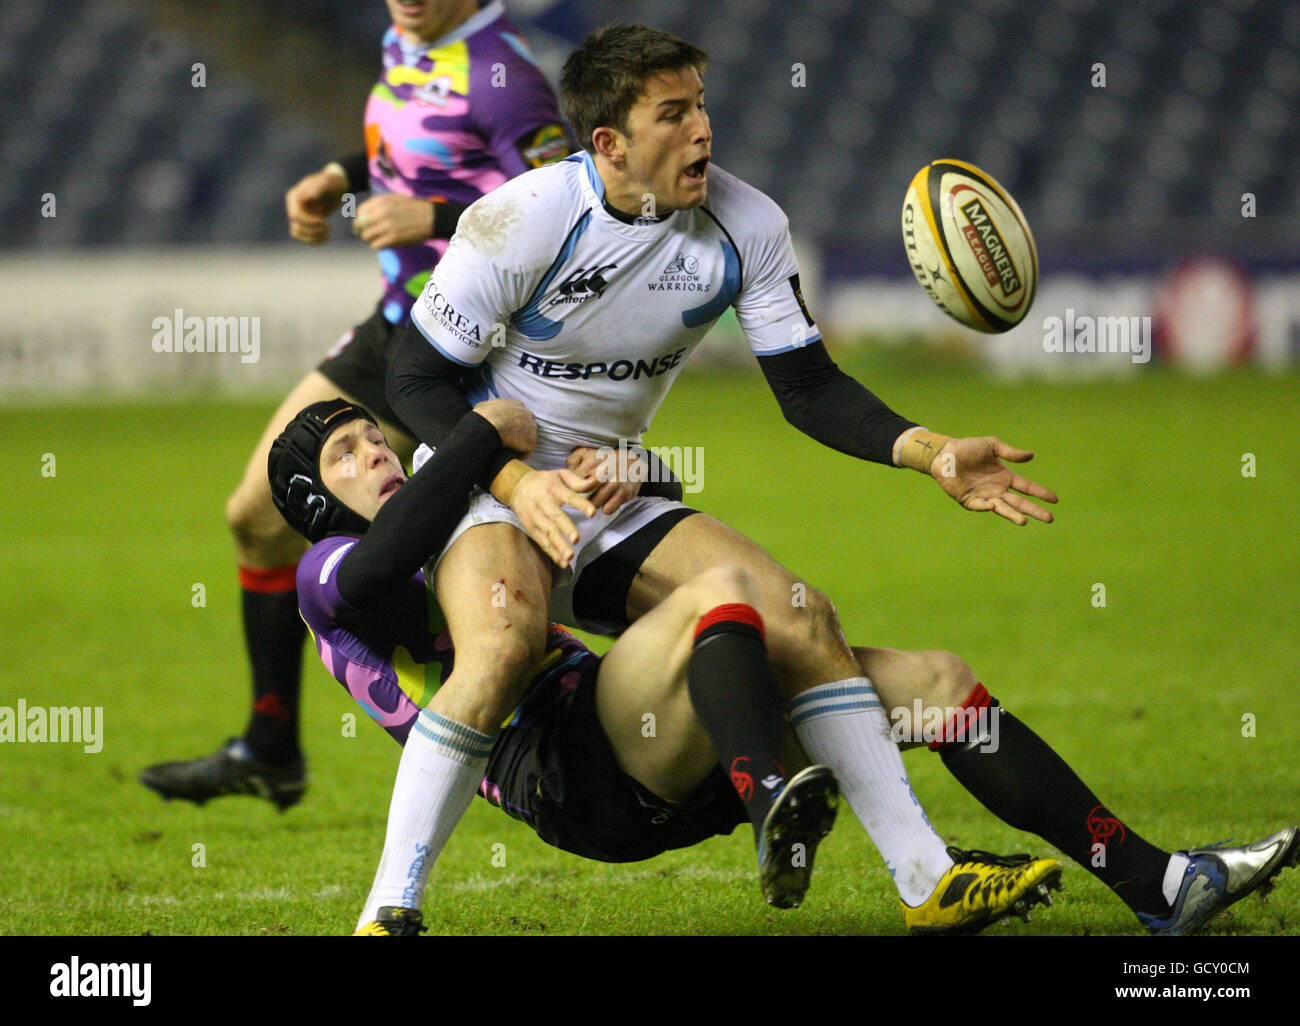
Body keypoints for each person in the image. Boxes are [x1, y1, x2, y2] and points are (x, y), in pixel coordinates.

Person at [375, 22, 1065, 932]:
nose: (702, 129)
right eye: (674, 114)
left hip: (611, 493)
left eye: (701, 105)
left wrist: (929, 449)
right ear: (610, 143)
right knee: (501, 645)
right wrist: (512, 483)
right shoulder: (523, 219)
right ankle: (389, 911)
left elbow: (808, 387)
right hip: (485, 488)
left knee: (801, 616)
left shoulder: (748, 222)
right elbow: (412, 379)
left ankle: (925, 880)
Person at [268, 401, 1296, 936]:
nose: (377, 453)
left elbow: (629, 511)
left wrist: (627, 471)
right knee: (725, 593)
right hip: (576, 771)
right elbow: (384, 561)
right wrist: (482, 434)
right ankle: (776, 806)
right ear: (316, 503)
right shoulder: (326, 574)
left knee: (939, 685)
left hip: (666, 728)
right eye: (346, 454)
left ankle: (1157, 883)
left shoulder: (466, 515)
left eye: (374, 437)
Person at [141, 0, 578, 810]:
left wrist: (433, 218)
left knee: (532, 563)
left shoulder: (504, 75)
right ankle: (271, 745)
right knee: (255, 514)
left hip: (464, 347)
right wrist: (340, 177)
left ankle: (594, 727)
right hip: (392, 327)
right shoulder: (409, 36)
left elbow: (564, 208)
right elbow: (415, 148)